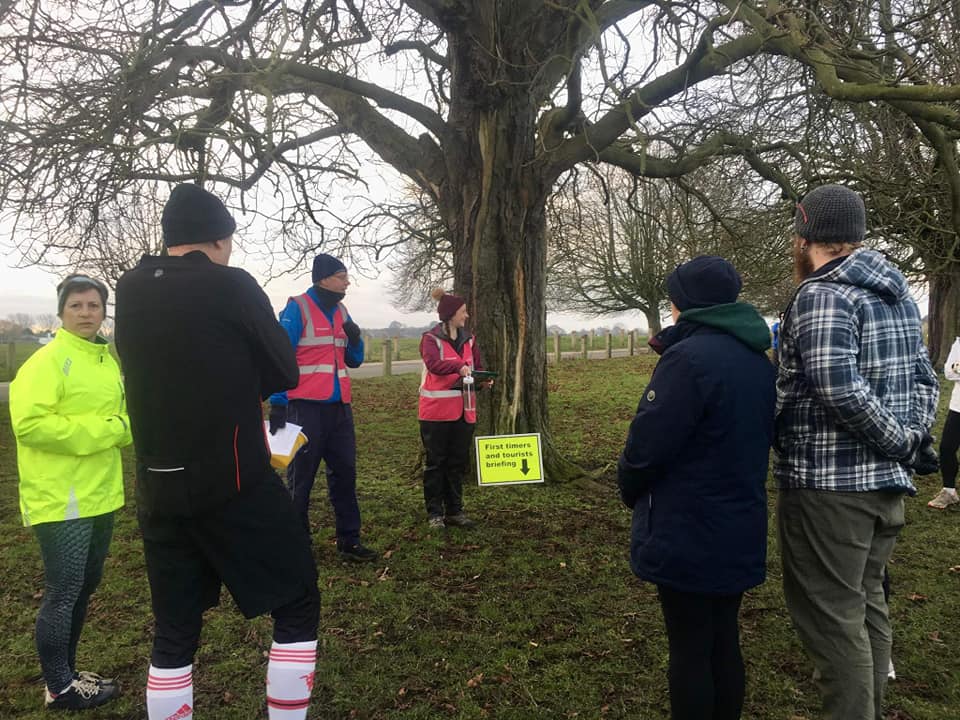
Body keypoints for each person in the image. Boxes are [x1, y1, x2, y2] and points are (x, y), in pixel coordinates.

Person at [114, 184, 321, 720]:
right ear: (218, 240)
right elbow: (284, 369)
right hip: (234, 479)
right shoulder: (232, 285)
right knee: (297, 597)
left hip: (158, 486)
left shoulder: (130, 288)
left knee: (175, 631)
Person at [775, 184, 939, 720]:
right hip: (885, 487)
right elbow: (924, 379)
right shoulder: (896, 295)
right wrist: (911, 440)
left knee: (833, 619)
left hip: (830, 488)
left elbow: (839, 388)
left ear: (806, 237)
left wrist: (898, 442)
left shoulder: (823, 294)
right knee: (868, 607)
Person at [617, 256, 775, 720]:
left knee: (688, 648)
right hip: (739, 520)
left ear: (683, 305)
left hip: (686, 526)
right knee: (724, 639)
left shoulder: (686, 359)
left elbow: (647, 446)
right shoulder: (756, 358)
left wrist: (629, 487)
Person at [9, 274, 130, 710]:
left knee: (84, 585)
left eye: (93, 306)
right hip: (62, 498)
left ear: (103, 312)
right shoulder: (46, 362)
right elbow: (31, 424)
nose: (85, 313)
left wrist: (122, 428)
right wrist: (108, 432)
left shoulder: (104, 360)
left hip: (100, 492)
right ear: (61, 311)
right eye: (76, 305)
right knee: (65, 589)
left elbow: (121, 417)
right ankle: (59, 687)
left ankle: (69, 673)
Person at [267, 253, 377, 562]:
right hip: (304, 409)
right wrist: (277, 401)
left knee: (345, 474)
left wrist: (355, 341)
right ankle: (295, 544)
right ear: (324, 278)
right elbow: (279, 356)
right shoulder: (297, 308)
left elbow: (353, 361)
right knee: (300, 479)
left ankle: (349, 540)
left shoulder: (342, 310)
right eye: (342, 276)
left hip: (340, 409)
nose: (347, 282)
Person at [418, 288, 491, 529]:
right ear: (450, 315)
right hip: (436, 413)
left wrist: (482, 380)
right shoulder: (430, 340)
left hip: (464, 411)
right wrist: (459, 367)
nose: (467, 316)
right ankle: (434, 513)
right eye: (463, 312)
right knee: (436, 463)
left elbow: (476, 366)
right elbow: (434, 365)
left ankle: (455, 511)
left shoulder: (469, 340)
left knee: (457, 463)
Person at [929, 335, 960, 509]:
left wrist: (957, 368)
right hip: (958, 407)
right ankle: (949, 492)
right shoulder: (959, 344)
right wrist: (955, 368)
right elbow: (948, 372)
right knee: (946, 448)